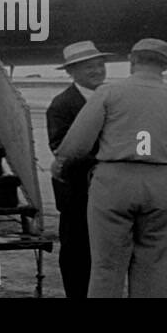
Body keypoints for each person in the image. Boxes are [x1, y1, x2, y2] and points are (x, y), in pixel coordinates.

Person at [53, 39, 167, 298]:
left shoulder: (108, 94)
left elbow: (76, 146)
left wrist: (61, 164)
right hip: (162, 181)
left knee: (107, 267)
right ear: (166, 65)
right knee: (154, 267)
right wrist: (162, 163)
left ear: (132, 60)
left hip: (113, 181)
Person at [46, 41, 112, 298]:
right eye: (89, 67)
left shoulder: (111, 96)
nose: (98, 71)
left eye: (100, 65)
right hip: (76, 192)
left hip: (108, 189)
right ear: (71, 72)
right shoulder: (62, 104)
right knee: (76, 252)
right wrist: (108, 157)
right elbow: (59, 147)